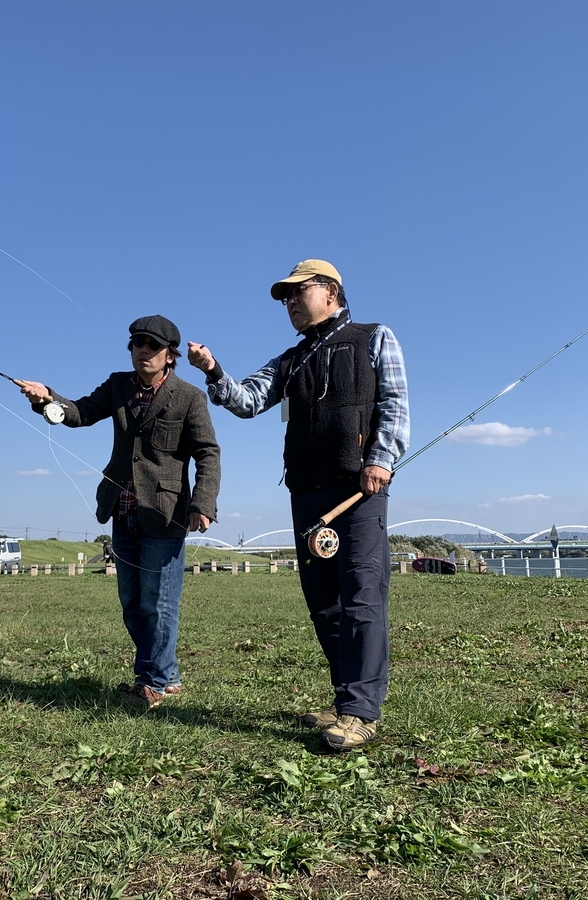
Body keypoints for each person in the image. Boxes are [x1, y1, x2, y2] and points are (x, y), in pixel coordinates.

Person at [187, 260, 409, 750]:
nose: (289, 302)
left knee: (362, 597)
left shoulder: (373, 337)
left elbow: (394, 401)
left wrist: (381, 460)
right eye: (284, 296)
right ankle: (343, 697)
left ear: (330, 291)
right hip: (306, 493)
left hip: (359, 489)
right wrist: (213, 370)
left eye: (297, 291)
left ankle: (359, 712)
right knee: (324, 603)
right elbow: (245, 401)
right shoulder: (289, 360)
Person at [19, 315, 221, 709]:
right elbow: (79, 413)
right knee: (132, 602)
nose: (142, 351)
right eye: (136, 344)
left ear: (170, 356)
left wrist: (203, 503)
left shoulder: (189, 397)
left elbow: (208, 453)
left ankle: (152, 682)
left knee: (158, 602)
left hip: (165, 515)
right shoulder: (117, 385)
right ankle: (167, 673)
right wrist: (47, 399)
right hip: (121, 511)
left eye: (152, 346)